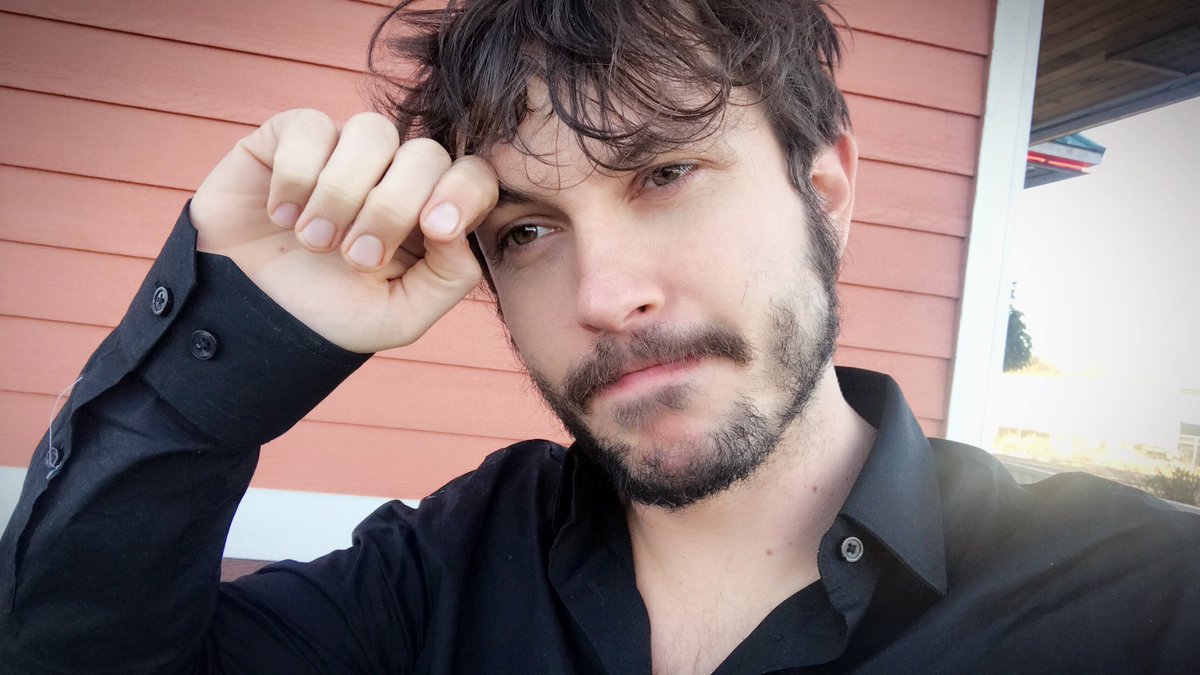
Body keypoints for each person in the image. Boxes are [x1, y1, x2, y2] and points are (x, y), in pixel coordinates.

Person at [1, 0, 1197, 672]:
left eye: (666, 173)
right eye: (527, 231)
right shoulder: (439, 578)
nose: (605, 295)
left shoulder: (1142, 603)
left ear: (824, 192)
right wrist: (232, 345)